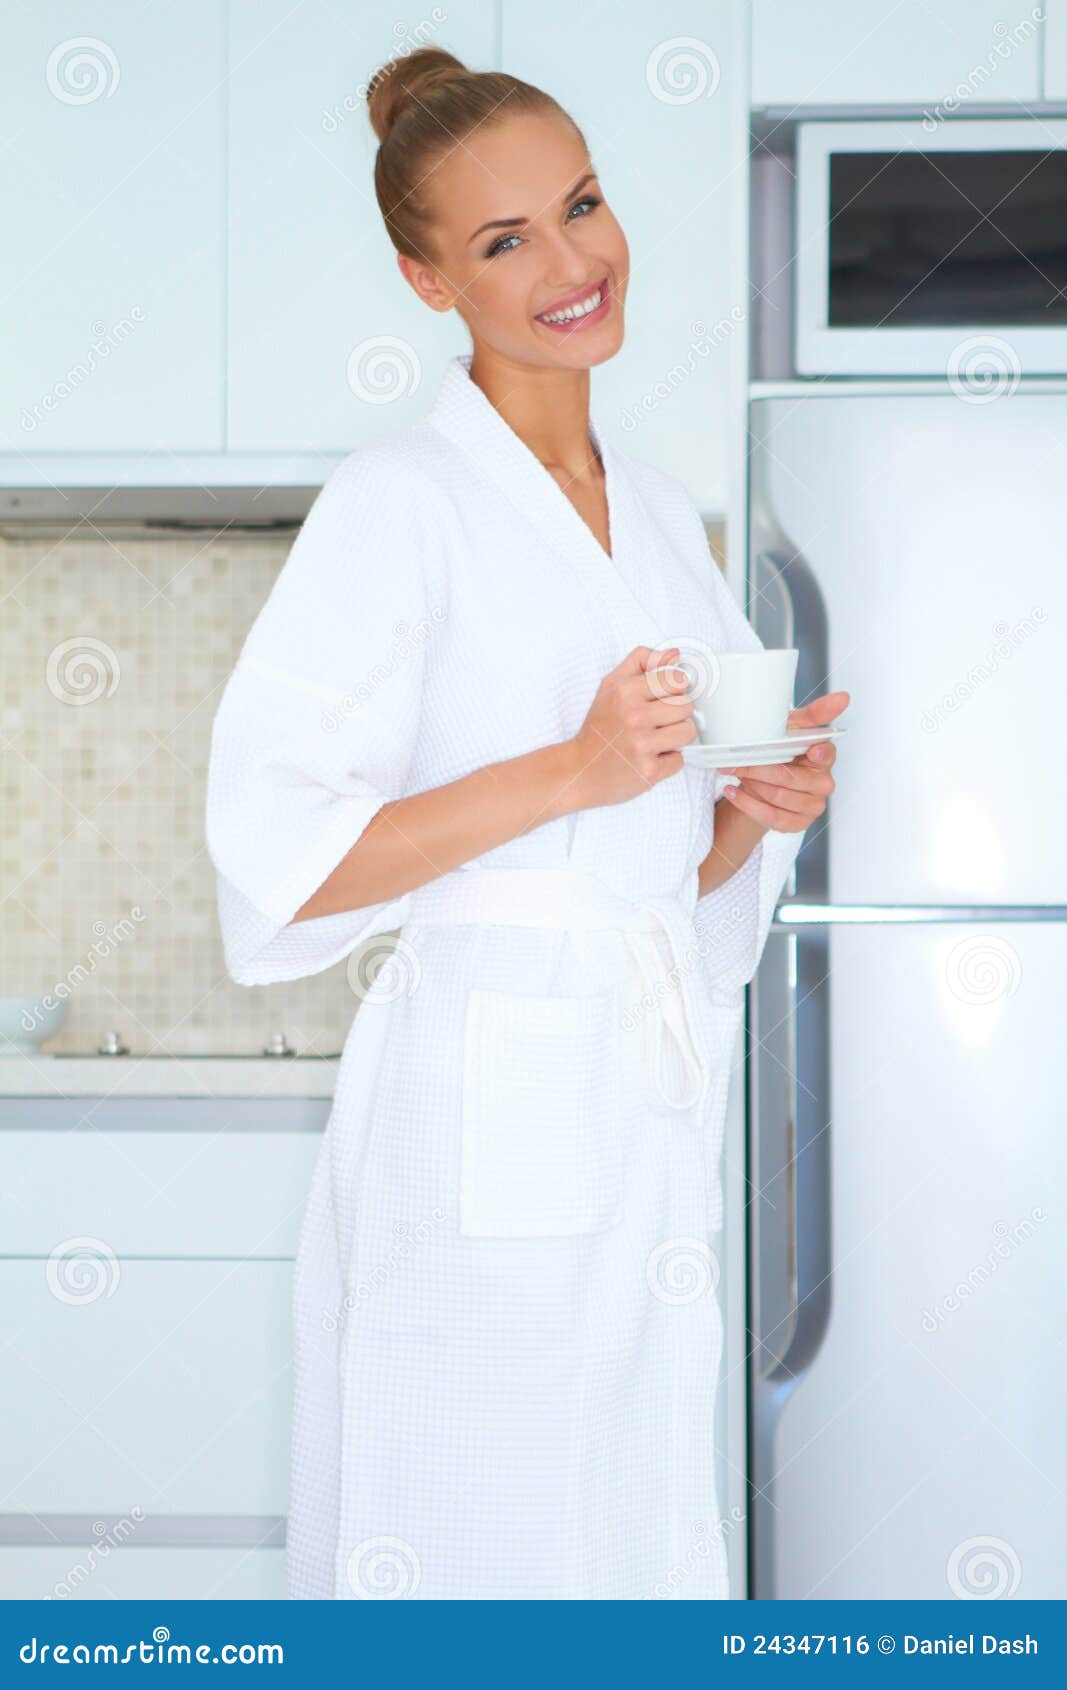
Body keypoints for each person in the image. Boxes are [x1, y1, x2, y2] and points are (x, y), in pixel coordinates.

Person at [205, 46, 847, 1601]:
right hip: (479, 1114)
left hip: (634, 1107)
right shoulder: (398, 501)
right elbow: (279, 865)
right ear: (428, 281)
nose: (573, 264)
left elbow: (662, 889)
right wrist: (568, 769)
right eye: (506, 242)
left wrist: (757, 819)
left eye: (582, 205)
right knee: (472, 1532)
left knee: (626, 1534)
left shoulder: (666, 514)